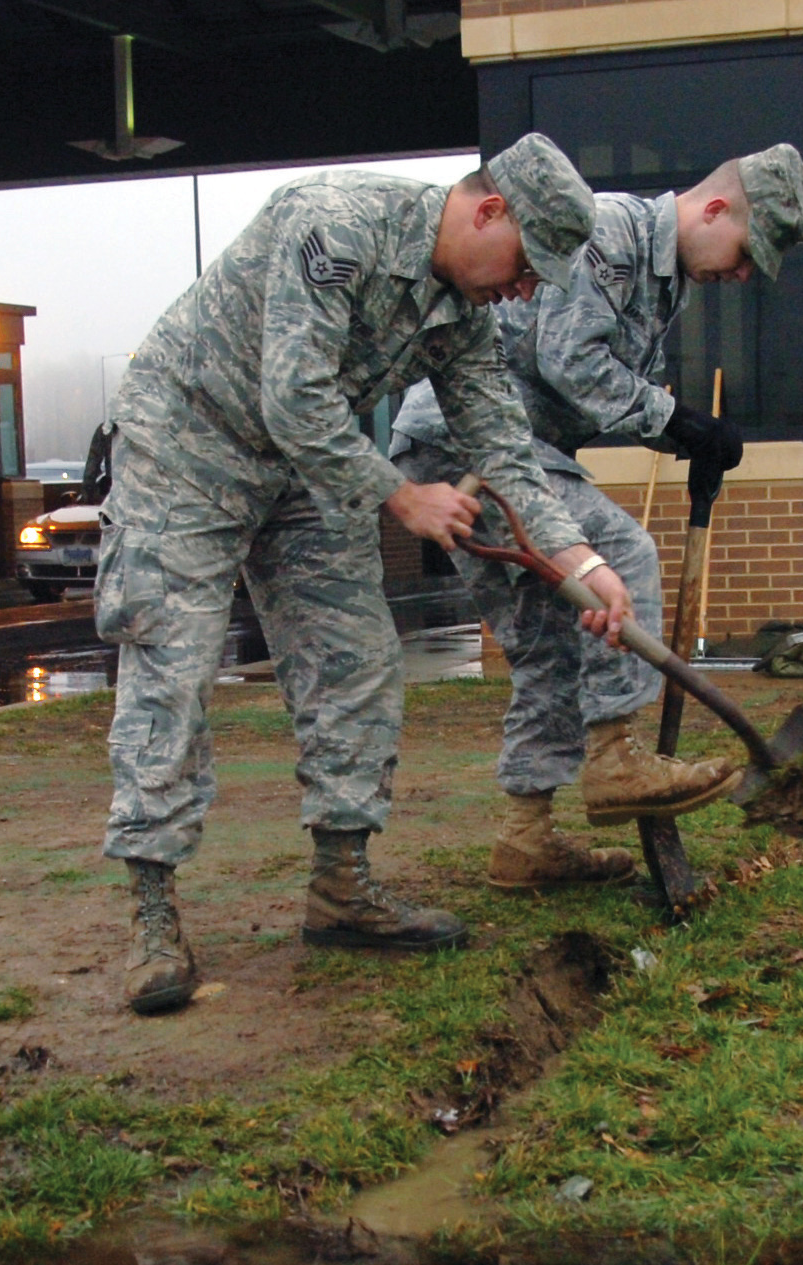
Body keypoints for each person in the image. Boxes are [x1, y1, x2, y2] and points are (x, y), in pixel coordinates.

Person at [97, 135, 636, 1016]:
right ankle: (153, 912)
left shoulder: (465, 313)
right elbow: (294, 395)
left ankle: (341, 888)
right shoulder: (337, 225)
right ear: (488, 210)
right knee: (173, 663)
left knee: (356, 655)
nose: (526, 289)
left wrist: (585, 563)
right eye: (528, 265)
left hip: (310, 466)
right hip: (188, 444)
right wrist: (402, 496)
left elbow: (505, 447)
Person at [390, 145, 803, 891]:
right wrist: (673, 418)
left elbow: (595, 376)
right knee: (622, 553)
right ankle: (616, 756)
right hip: (469, 446)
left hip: (506, 451)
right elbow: (570, 362)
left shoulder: (665, 279)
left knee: (552, 643)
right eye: (749, 252)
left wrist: (677, 428)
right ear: (716, 210)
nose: (745, 274)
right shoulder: (610, 235)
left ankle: (526, 839)